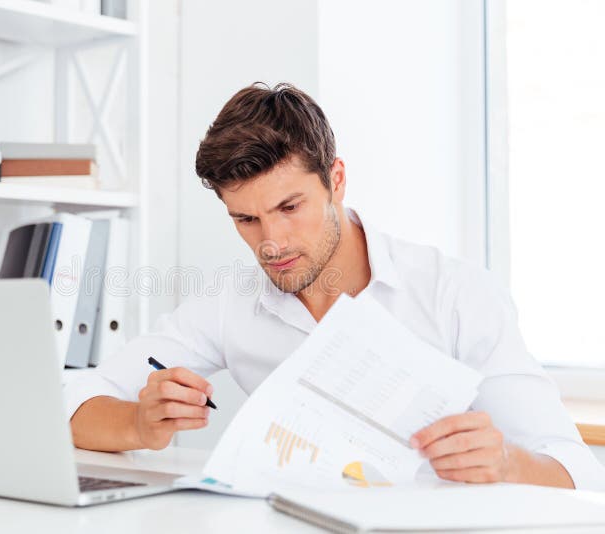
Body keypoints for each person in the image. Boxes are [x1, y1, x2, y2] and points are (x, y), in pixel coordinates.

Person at [67, 82, 604, 490]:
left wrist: (507, 464)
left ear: (336, 180)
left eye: (289, 207)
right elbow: (75, 401)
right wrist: (139, 423)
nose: (271, 243)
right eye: (246, 220)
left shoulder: (455, 294)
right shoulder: (229, 300)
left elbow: (577, 468)